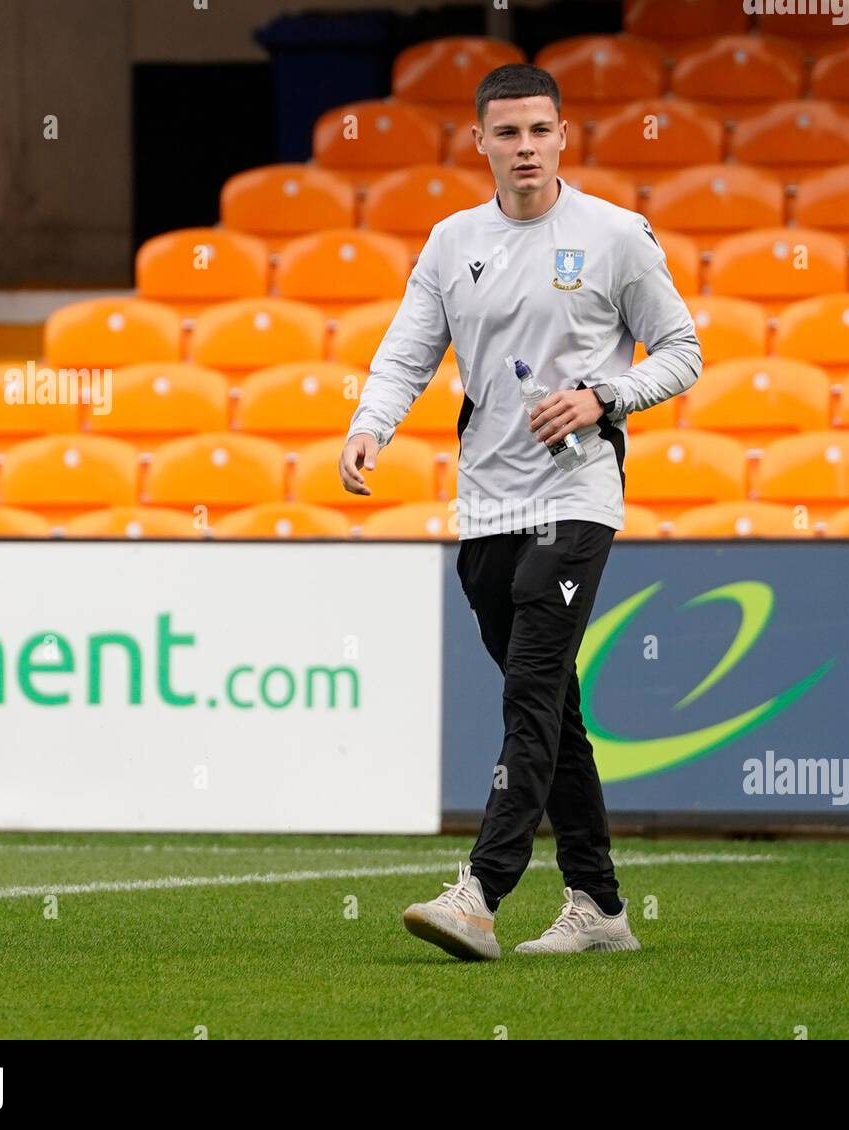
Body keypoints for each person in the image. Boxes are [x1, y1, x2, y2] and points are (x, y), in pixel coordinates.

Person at [338, 63, 702, 959]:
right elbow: (407, 354)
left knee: (529, 690)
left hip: (577, 497)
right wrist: (369, 427)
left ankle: (481, 892)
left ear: (564, 135)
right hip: (487, 508)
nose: (525, 147)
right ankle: (600, 907)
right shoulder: (450, 241)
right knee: (554, 708)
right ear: (481, 143)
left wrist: (604, 396)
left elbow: (686, 350)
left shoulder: (616, 235)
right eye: (508, 133)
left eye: (540, 130)